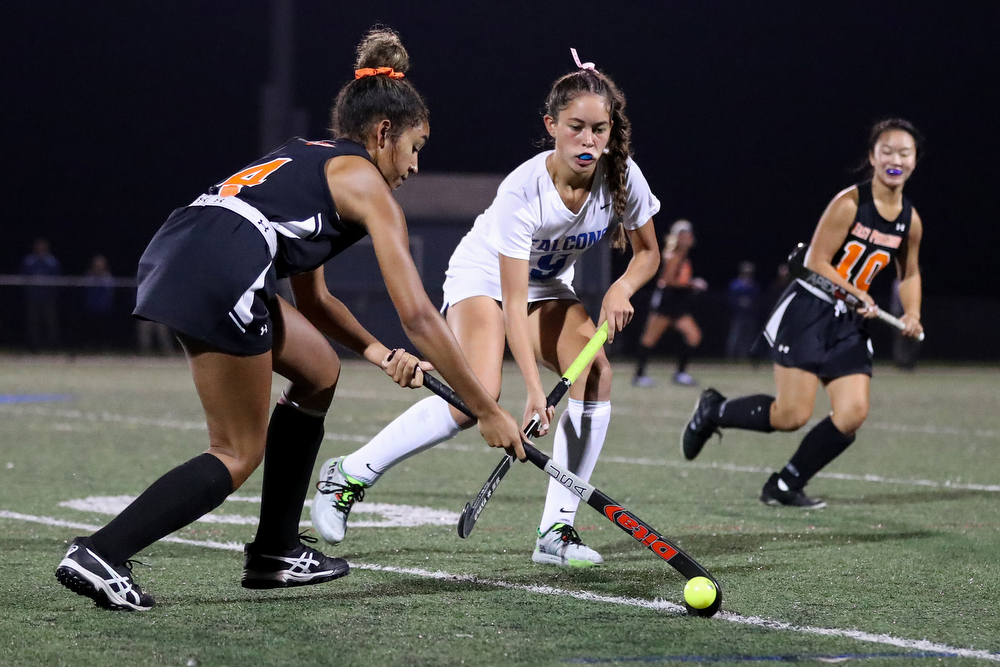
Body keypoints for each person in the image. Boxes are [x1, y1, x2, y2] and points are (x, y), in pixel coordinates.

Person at [54, 27, 525, 611]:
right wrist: (486, 408)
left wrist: (379, 354)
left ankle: (276, 552)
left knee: (318, 370)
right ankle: (103, 552)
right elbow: (421, 317)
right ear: (384, 133)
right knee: (236, 451)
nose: (414, 166)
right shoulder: (369, 188)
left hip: (190, 243)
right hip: (223, 262)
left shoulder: (311, 157)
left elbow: (315, 301)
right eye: (415, 146)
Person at [311, 48, 660, 568]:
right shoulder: (524, 190)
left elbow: (649, 253)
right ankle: (350, 473)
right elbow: (512, 302)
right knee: (475, 396)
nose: (588, 141)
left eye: (599, 130)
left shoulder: (622, 176)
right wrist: (535, 392)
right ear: (552, 126)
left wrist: (621, 288)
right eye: (576, 128)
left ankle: (555, 532)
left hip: (546, 284)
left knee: (595, 375)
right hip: (485, 277)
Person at [681, 118, 925, 508]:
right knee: (791, 415)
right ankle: (714, 411)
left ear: (914, 161)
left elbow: (908, 272)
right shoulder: (849, 203)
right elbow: (816, 260)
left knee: (852, 413)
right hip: (809, 310)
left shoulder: (909, 220)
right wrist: (855, 291)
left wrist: (911, 312)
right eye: (888, 151)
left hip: (850, 322)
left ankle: (784, 485)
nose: (896, 160)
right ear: (873, 157)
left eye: (904, 153)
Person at [631, 220, 707, 387]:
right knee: (649, 339)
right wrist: (692, 284)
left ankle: (681, 373)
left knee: (694, 336)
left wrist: (689, 284)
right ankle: (639, 375)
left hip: (678, 304)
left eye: (689, 235)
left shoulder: (683, 257)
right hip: (667, 302)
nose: (688, 238)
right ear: (678, 238)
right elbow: (668, 281)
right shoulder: (674, 256)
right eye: (684, 235)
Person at [21, 237, 61, 352]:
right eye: (38, 247)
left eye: (43, 247)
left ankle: (52, 346)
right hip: (33, 297)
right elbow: (23, 276)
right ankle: (34, 346)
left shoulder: (52, 262)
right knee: (33, 322)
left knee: (51, 322)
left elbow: (57, 278)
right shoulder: (28, 261)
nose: (40, 249)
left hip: (48, 297)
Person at [725, 261, 761, 359]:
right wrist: (740, 303)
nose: (747, 274)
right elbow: (730, 299)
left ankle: (743, 357)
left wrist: (750, 306)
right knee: (735, 337)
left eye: (749, 272)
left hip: (750, 316)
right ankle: (730, 357)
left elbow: (757, 301)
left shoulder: (753, 285)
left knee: (747, 338)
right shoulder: (735, 284)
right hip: (738, 316)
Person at [81, 255, 116, 351]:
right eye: (97, 265)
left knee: (104, 329)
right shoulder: (89, 277)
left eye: (101, 265)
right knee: (91, 328)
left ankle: (105, 346)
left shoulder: (108, 278)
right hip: (91, 308)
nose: (98, 267)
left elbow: (111, 292)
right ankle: (90, 346)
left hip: (104, 308)